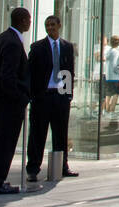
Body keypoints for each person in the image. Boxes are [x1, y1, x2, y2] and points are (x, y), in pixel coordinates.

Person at [0, 7, 32, 194]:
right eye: (29, 20)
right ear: (24, 21)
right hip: (7, 104)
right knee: (4, 143)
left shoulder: (3, 38)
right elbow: (7, 76)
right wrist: (20, 97)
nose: (30, 23)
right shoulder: (12, 43)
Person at [26, 14, 79, 181]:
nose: (50, 28)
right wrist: (33, 95)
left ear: (59, 26)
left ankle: (62, 166)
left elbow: (70, 71)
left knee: (60, 134)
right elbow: (31, 73)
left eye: (52, 25)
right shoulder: (37, 47)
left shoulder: (67, 47)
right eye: (47, 25)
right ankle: (33, 169)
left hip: (60, 97)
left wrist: (68, 95)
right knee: (37, 135)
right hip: (43, 97)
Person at [102, 36, 119, 114]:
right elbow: (115, 65)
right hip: (114, 76)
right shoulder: (115, 52)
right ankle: (112, 110)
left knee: (108, 94)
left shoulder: (109, 51)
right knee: (116, 94)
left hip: (108, 75)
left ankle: (107, 109)